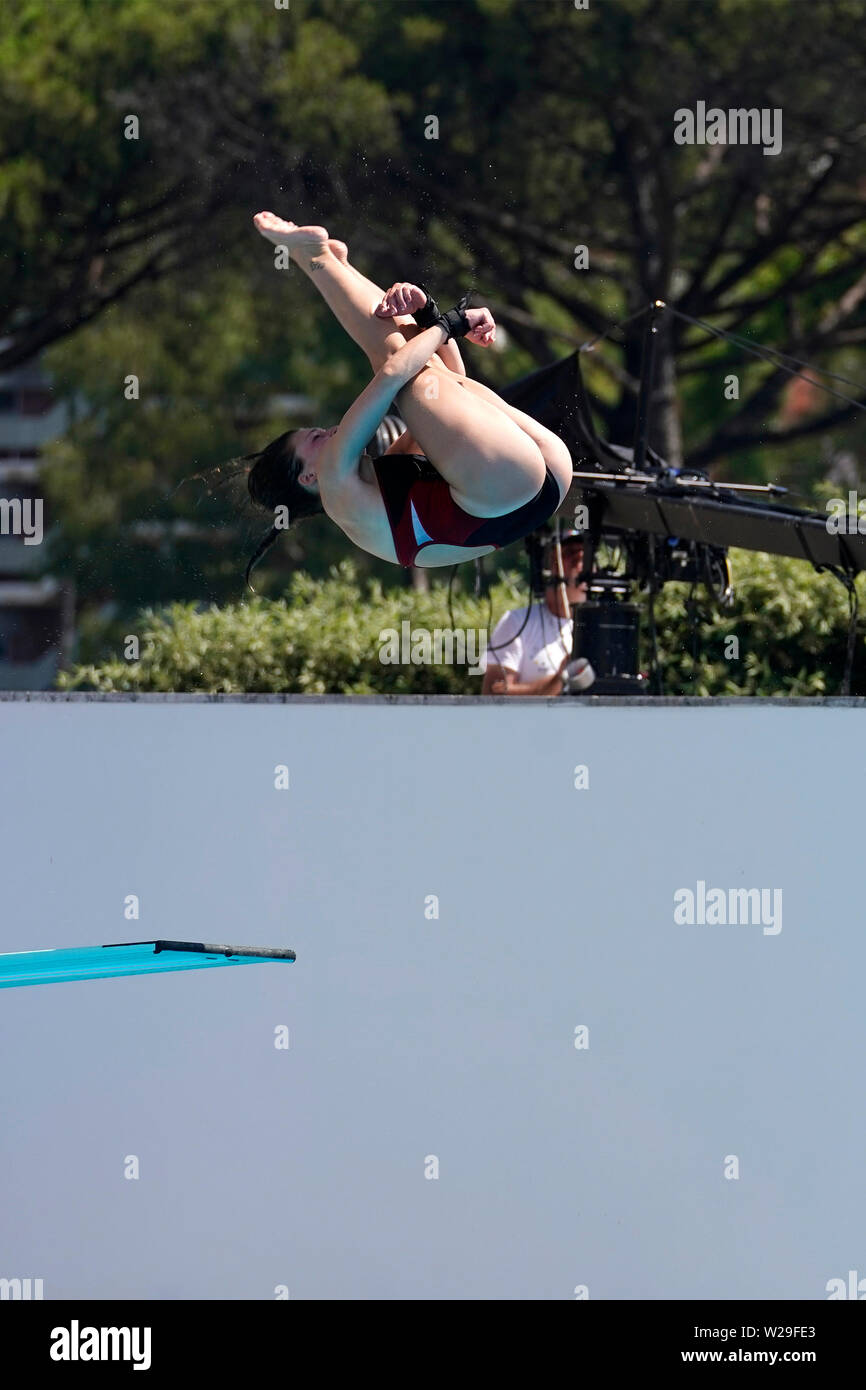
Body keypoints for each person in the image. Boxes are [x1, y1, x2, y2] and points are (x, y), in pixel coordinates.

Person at [242, 214, 573, 582]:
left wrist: (427, 314)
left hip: (542, 481)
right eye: (315, 437)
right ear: (308, 477)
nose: (329, 430)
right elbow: (391, 376)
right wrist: (451, 324)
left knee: (423, 370)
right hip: (515, 481)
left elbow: (453, 389)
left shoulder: (382, 482)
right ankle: (315, 258)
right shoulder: (336, 487)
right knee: (401, 374)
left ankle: (334, 262)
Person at [481, 531, 593, 696]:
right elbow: (493, 693)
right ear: (549, 568)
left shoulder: (596, 626)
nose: (580, 562)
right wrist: (560, 679)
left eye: (585, 557)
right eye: (570, 555)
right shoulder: (516, 622)